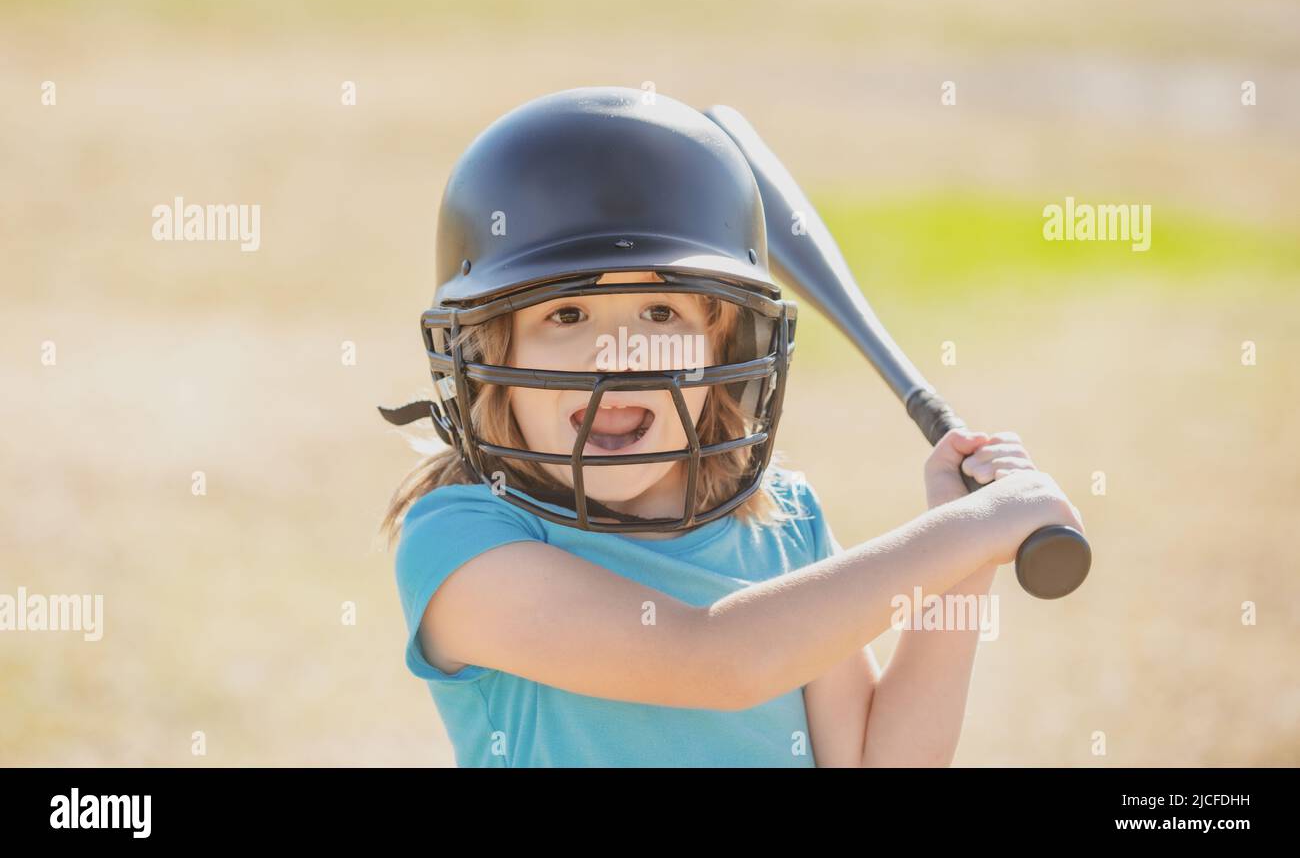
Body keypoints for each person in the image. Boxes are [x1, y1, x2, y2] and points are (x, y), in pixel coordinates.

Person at [375, 86, 1085, 767]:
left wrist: (963, 563)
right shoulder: (462, 541)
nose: (618, 356)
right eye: (565, 315)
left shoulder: (783, 522)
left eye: (662, 313)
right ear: (489, 357)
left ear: (725, 349)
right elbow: (714, 659)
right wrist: (971, 529)